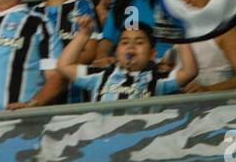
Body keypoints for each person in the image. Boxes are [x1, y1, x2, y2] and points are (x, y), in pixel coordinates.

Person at [59, 16, 197, 101]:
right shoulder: (100, 75)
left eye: (139, 42)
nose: (131, 46)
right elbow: (64, 65)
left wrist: (182, 36)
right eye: (124, 42)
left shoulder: (158, 79)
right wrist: (83, 34)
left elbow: (190, 71)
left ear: (152, 54)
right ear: (117, 52)